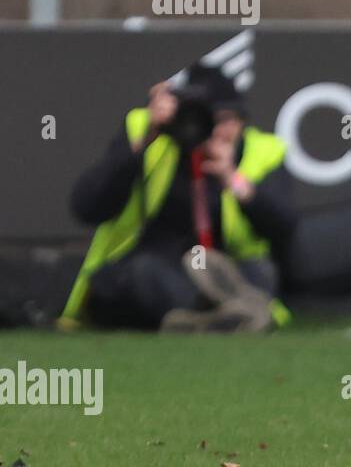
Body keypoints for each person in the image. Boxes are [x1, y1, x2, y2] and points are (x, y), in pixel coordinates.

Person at [59, 63, 295, 333]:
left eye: (226, 119)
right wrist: (143, 143)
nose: (216, 131)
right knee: (140, 273)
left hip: (226, 263)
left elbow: (284, 228)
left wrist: (233, 179)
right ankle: (219, 315)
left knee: (261, 272)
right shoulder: (147, 132)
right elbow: (86, 207)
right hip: (158, 264)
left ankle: (215, 312)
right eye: (208, 120)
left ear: (243, 120)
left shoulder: (263, 150)